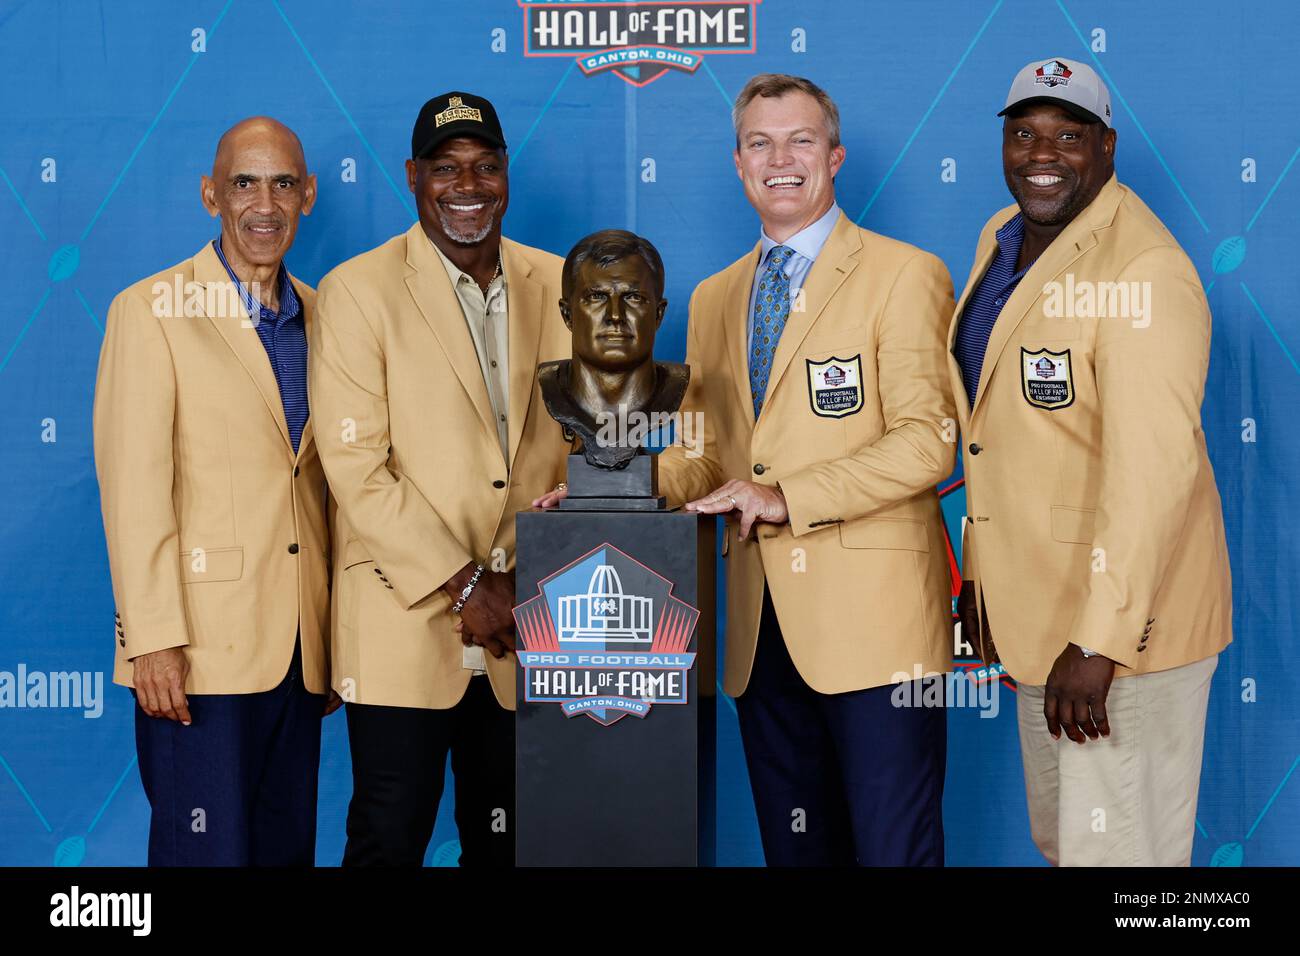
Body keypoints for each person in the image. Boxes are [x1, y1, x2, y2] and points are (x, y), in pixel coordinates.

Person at [602, 73, 956, 866]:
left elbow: (929, 440)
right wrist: (613, 491)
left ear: (834, 156)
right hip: (759, 630)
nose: (781, 159)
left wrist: (787, 496)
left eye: (800, 140)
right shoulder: (716, 296)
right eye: (760, 143)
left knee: (893, 850)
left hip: (878, 631)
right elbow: (704, 451)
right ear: (737, 163)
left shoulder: (904, 274)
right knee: (797, 853)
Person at [950, 57, 1232, 866]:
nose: (1043, 153)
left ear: (1107, 147)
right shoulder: (1000, 241)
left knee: (1123, 860)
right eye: (1025, 133)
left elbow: (1154, 476)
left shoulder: (1144, 273)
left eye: (1068, 135)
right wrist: (983, 582)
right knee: (1068, 844)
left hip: (1117, 638)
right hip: (1038, 613)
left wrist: (1102, 642)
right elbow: (997, 437)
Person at [309, 91, 569, 867]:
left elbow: (604, 437)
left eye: (485, 166)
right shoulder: (358, 290)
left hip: (531, 622)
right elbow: (357, 466)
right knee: (388, 836)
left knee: (511, 838)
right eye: (447, 168)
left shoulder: (562, 282)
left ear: (506, 177)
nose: (468, 185)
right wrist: (465, 586)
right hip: (404, 614)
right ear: (413, 176)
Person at [93, 117, 336, 866]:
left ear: (309, 196)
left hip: (301, 652)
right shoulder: (150, 310)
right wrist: (153, 642)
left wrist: (333, 636)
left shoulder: (327, 315)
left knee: (282, 852)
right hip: (197, 654)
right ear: (210, 195)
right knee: (203, 857)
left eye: (283, 183)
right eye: (244, 182)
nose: (265, 204)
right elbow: (134, 488)